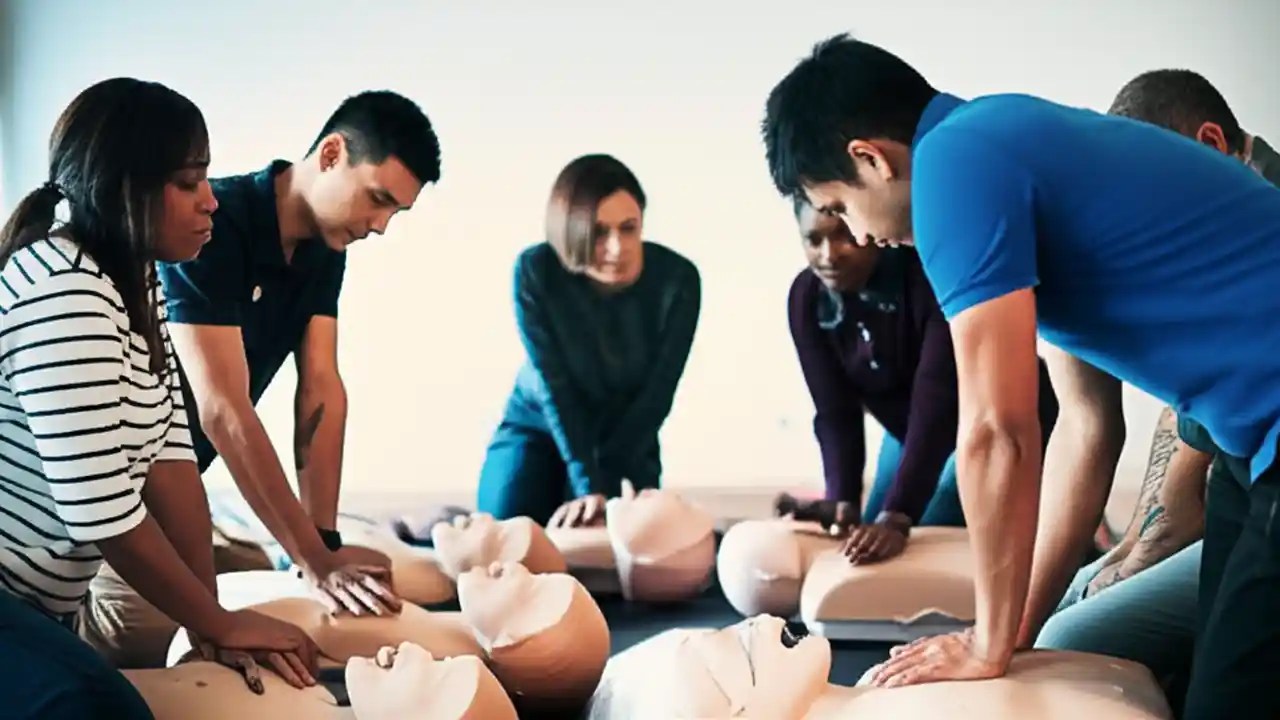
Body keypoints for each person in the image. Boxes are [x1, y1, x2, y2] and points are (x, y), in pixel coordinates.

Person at [760, 35, 1280, 720]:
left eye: (838, 207)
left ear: (870, 159)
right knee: (1210, 682)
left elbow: (998, 429)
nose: (855, 232)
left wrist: (988, 643)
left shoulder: (957, 166)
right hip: (1249, 450)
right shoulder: (1000, 143)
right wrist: (1010, 635)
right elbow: (1084, 431)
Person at [82, 90, 441, 669]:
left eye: (394, 213)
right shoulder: (208, 226)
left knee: (280, 589)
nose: (379, 226)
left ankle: (250, 551)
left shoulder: (325, 248)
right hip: (122, 505)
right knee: (152, 645)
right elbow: (222, 409)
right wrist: (315, 563)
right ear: (330, 154)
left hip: (184, 489)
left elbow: (321, 388)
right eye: (377, 200)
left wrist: (317, 546)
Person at [0, 77, 318, 719]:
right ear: (125, 189)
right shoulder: (65, 290)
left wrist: (208, 618)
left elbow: (171, 458)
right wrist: (219, 622)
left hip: (41, 603)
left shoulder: (132, 279)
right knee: (93, 707)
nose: (211, 203)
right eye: (187, 182)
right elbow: (101, 509)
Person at [1034, 68, 1280, 715]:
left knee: (1067, 630)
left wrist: (1146, 546)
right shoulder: (1201, 235)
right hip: (1235, 504)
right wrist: (1130, 544)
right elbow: (1173, 419)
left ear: (1211, 142)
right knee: (1070, 597)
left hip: (1261, 500)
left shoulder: (1253, 226)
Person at [786, 195, 1058, 562]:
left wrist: (898, 516)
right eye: (813, 239)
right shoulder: (807, 297)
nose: (830, 255)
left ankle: (1065, 517)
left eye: (845, 236)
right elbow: (836, 413)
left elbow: (938, 402)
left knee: (921, 529)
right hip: (910, 430)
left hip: (993, 422)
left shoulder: (926, 277)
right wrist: (841, 502)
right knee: (866, 533)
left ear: (867, 229)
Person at [476, 154, 701, 528]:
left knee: (624, 541)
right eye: (599, 233)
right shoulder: (534, 271)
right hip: (539, 426)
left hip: (629, 435)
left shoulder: (679, 281)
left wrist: (604, 491)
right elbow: (555, 387)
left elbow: (657, 397)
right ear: (569, 232)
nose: (618, 247)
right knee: (505, 533)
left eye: (629, 228)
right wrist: (585, 485)